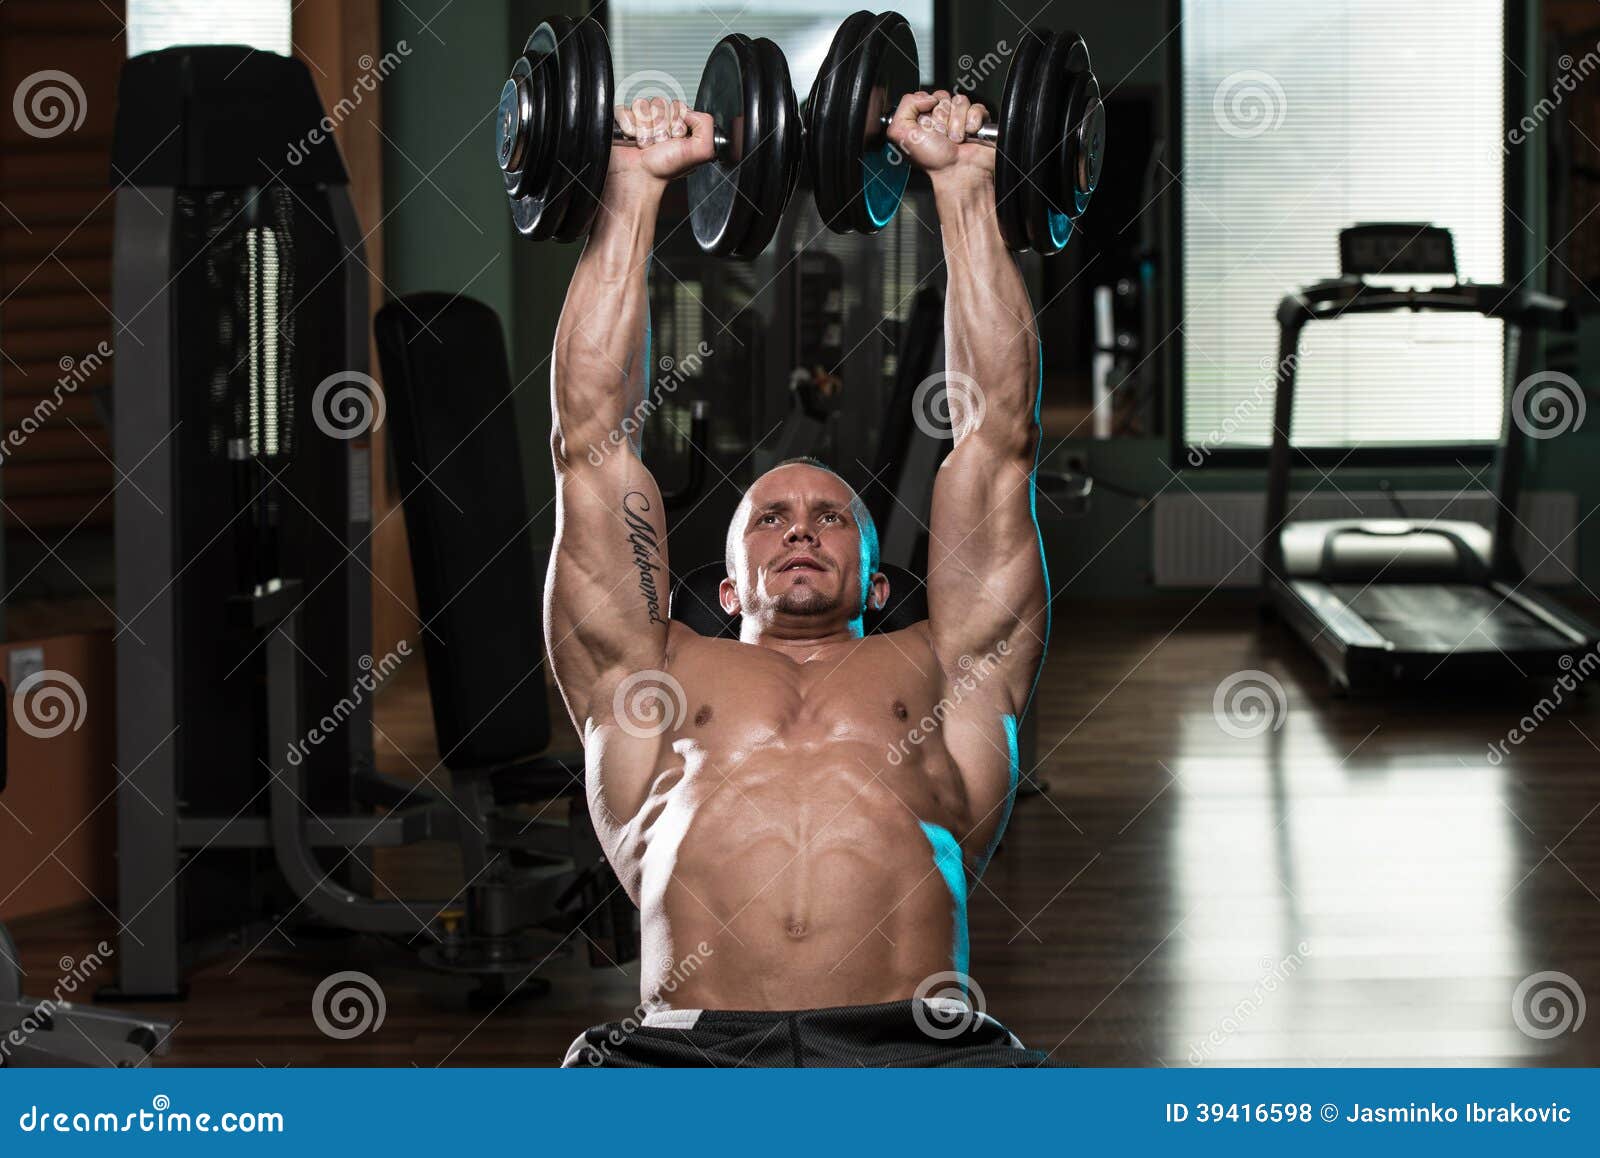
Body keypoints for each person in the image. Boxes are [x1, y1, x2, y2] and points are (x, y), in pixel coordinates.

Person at [547, 88, 1049, 1066]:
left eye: (831, 517)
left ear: (874, 583)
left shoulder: (949, 671)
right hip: (684, 1057)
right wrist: (631, 188)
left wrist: (961, 184)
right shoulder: (648, 679)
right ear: (727, 585)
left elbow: (997, 440)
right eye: (768, 517)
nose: (801, 530)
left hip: (915, 1051)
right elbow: (590, 445)